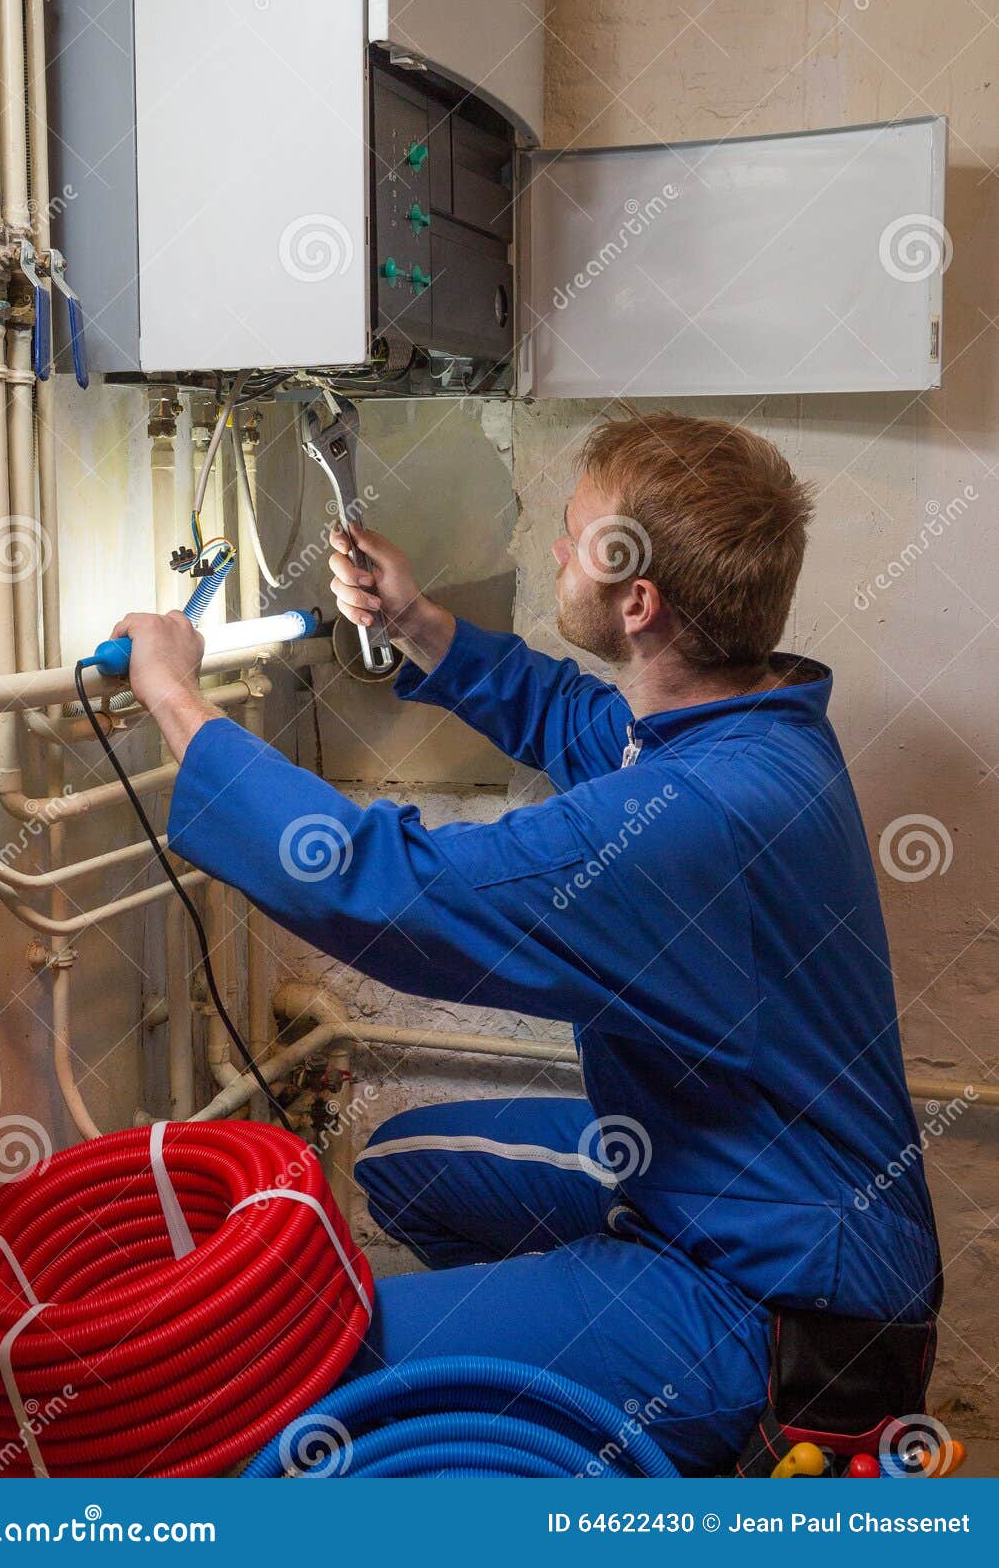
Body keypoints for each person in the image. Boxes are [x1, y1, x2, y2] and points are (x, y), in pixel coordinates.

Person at [119, 411, 940, 1475]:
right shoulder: (745, 725)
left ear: (636, 602)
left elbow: (387, 887)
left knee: (309, 1365)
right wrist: (415, 622)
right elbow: (573, 720)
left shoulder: (702, 815)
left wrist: (175, 697)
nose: (553, 548)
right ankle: (569, 1373)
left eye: (574, 535)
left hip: (779, 1306)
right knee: (403, 1169)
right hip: (725, 1184)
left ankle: (636, 1432)